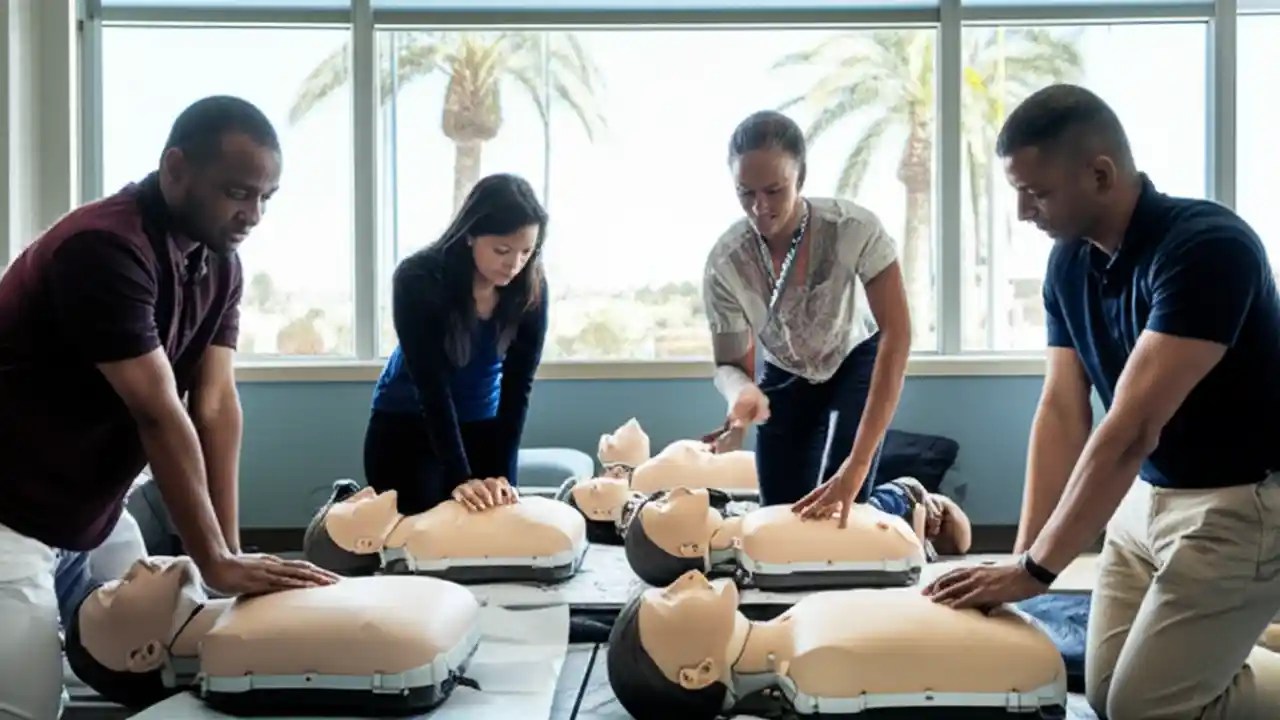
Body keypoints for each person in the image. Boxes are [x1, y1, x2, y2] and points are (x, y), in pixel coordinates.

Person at [923, 83, 1280, 719]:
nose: (1024, 213)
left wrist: (1036, 570)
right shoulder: (1069, 265)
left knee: (1146, 711)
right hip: (1146, 501)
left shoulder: (1206, 248)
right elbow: (1062, 409)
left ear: (1100, 174)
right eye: (1017, 193)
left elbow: (1131, 427)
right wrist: (1022, 559)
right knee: (1110, 697)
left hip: (1239, 506)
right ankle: (1234, 639)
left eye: (1037, 193)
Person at [0, 95, 339, 720]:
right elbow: (158, 411)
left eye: (267, 198)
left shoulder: (219, 263)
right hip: (10, 515)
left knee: (182, 651)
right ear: (175, 168)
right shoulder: (102, 247)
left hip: (92, 511)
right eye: (238, 192)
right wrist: (212, 558)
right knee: (28, 707)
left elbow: (214, 405)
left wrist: (227, 556)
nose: (253, 214)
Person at [701, 109, 916, 529]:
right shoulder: (725, 262)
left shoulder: (855, 228)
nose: (759, 208)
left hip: (856, 357)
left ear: (801, 178)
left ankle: (903, 498)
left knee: (846, 508)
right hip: (785, 369)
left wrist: (857, 464)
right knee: (779, 516)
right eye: (745, 192)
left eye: (774, 190)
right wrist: (740, 393)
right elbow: (729, 364)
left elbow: (899, 333)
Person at [366, 173, 549, 517]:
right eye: (502, 250)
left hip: (481, 425)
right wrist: (459, 476)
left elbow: (517, 385)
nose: (514, 264)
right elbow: (431, 386)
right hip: (407, 424)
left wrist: (502, 477)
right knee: (427, 520)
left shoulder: (531, 289)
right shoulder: (417, 279)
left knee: (492, 516)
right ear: (470, 235)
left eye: (527, 252)